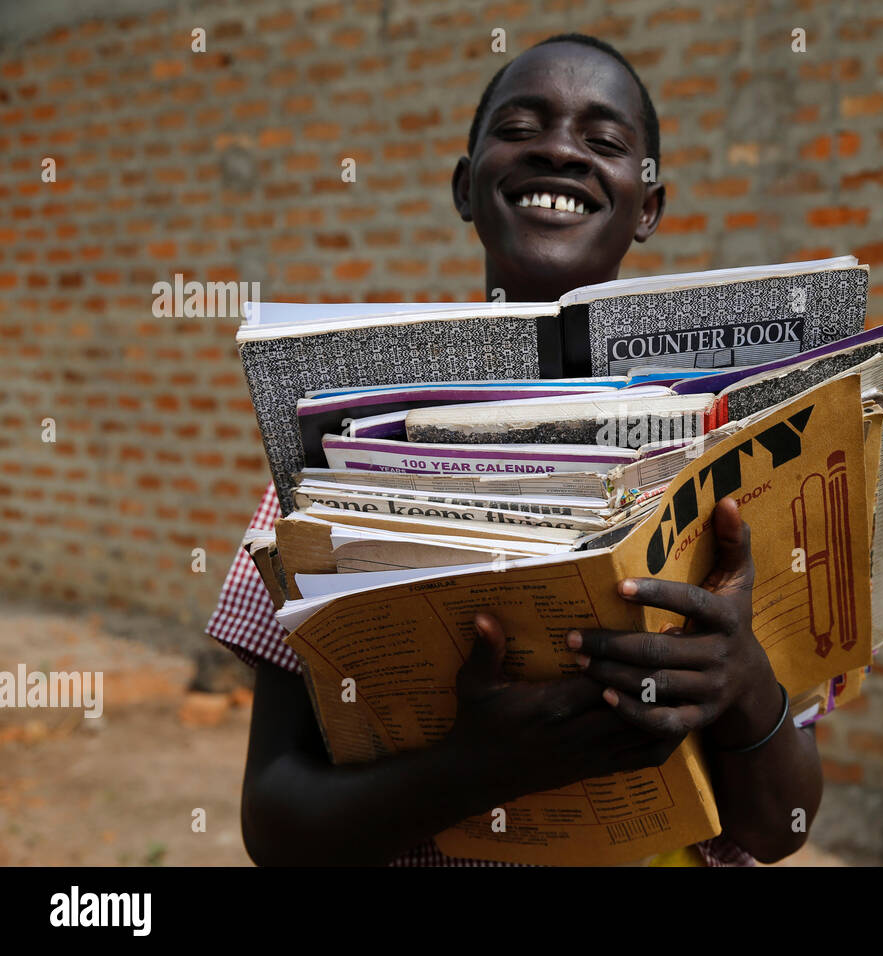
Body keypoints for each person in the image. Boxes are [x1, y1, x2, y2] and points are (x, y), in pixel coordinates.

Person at [208, 33, 823, 867]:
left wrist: (745, 685)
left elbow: (780, 830)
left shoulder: (741, 449)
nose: (560, 150)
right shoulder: (337, 454)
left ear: (648, 205)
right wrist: (479, 770)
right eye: (522, 126)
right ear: (467, 187)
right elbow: (275, 826)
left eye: (604, 142)